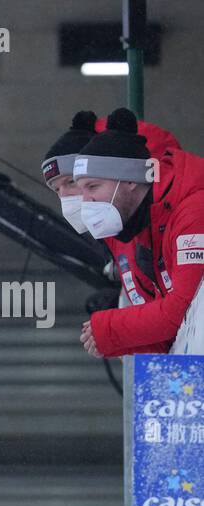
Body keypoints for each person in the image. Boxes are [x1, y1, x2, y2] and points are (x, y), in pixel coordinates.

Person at [75, 108, 204, 356]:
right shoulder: (144, 229)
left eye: (93, 186)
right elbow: (175, 335)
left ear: (130, 180)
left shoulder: (193, 211)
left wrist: (110, 329)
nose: (86, 200)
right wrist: (116, 340)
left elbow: (181, 311)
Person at [42, 110, 181, 318]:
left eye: (72, 182)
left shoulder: (148, 225)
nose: (66, 197)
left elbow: (175, 308)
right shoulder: (115, 232)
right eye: (57, 190)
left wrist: (112, 328)